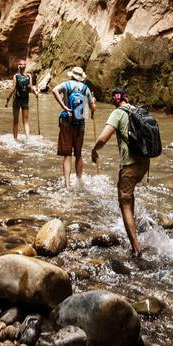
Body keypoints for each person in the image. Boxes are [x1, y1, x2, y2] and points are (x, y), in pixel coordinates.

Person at [91, 86, 148, 257]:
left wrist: (94, 150)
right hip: (144, 163)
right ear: (127, 97)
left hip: (130, 165)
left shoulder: (117, 113)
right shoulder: (136, 110)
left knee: (124, 203)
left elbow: (103, 137)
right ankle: (135, 232)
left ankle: (136, 249)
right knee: (129, 197)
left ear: (114, 99)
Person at [52, 66, 95, 188]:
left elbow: (54, 90)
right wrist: (93, 105)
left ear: (72, 75)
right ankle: (79, 180)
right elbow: (92, 108)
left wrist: (64, 107)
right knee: (78, 154)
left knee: (67, 154)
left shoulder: (66, 84)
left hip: (67, 121)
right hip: (80, 123)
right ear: (81, 77)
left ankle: (67, 184)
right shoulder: (86, 89)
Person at [4, 59, 32, 141]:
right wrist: (36, 93)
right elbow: (30, 88)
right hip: (25, 100)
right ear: (25, 66)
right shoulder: (29, 76)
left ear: (18, 67)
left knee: (16, 121)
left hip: (17, 100)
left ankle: (15, 139)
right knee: (26, 121)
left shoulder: (16, 76)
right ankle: (27, 138)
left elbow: (13, 88)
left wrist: (7, 99)